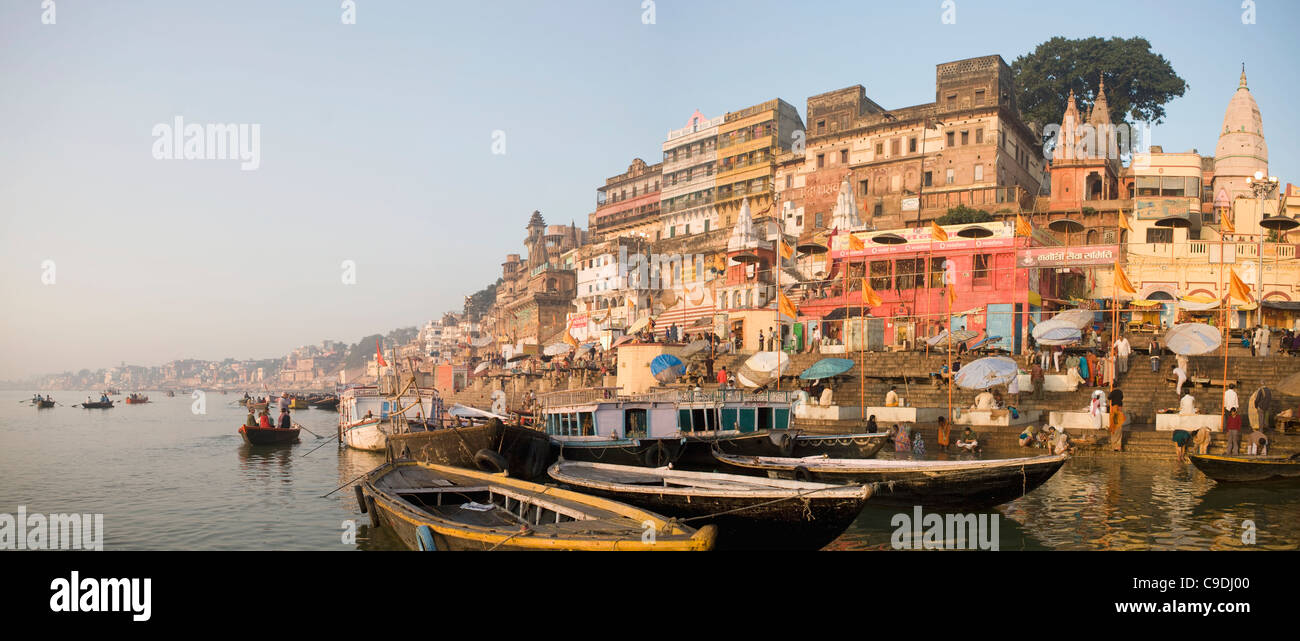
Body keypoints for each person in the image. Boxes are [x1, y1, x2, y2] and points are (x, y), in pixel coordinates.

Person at [1107, 387, 1125, 451]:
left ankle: (1115, 446)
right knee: (1119, 427)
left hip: (1115, 409)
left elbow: (1109, 397)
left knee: (1114, 427)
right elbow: (1122, 397)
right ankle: (1118, 446)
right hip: (1120, 408)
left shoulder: (1113, 391)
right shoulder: (1120, 392)